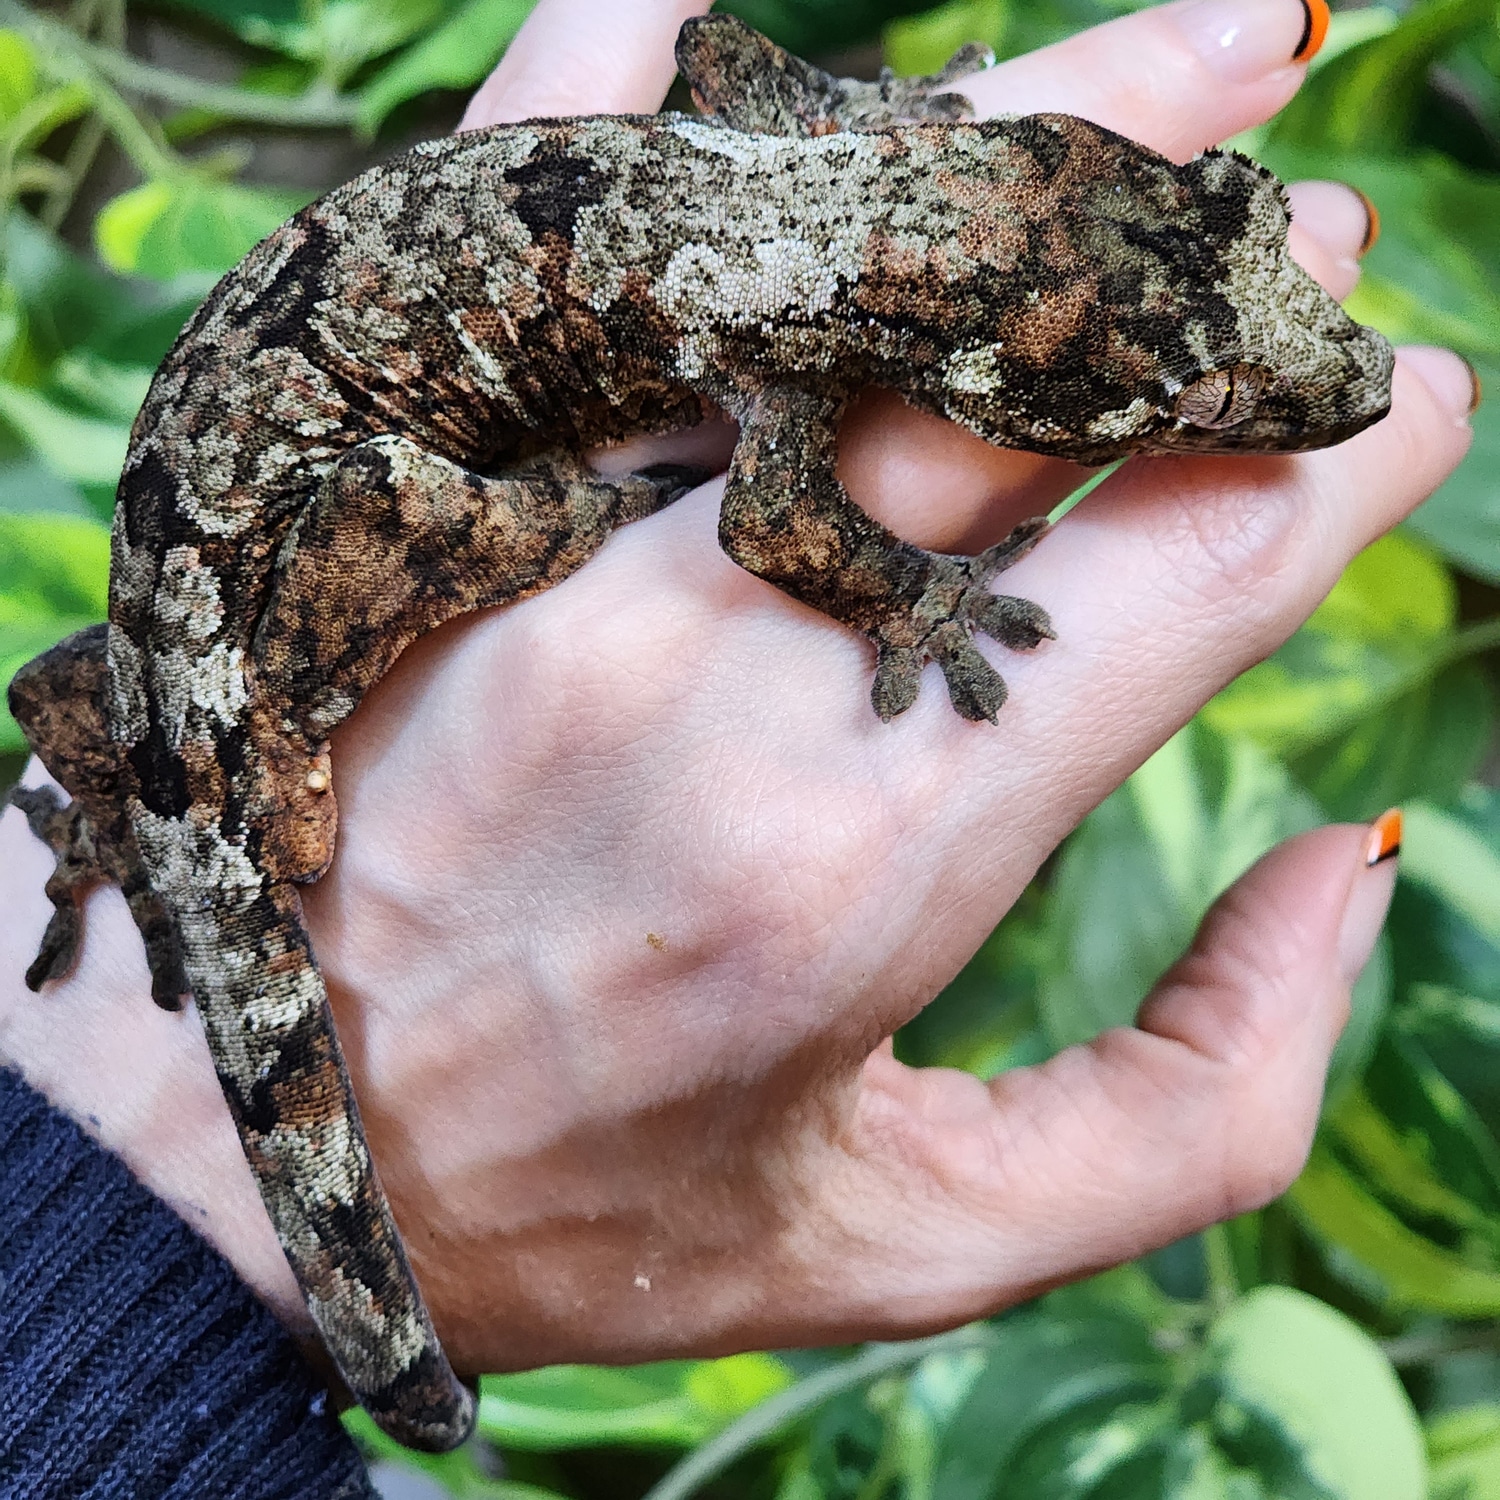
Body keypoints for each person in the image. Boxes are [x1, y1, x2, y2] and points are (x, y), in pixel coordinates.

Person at [0, 0, 1480, 1490]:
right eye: (1196, 395)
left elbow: (716, 55)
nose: (1326, 375)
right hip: (288, 504)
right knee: (500, 545)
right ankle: (170, 798)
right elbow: (770, 520)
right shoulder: (804, 329)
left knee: (156, 696)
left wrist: (871, 128)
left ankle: (128, 809)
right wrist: (913, 595)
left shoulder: (810, 201)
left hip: (221, 474)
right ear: (977, 380)